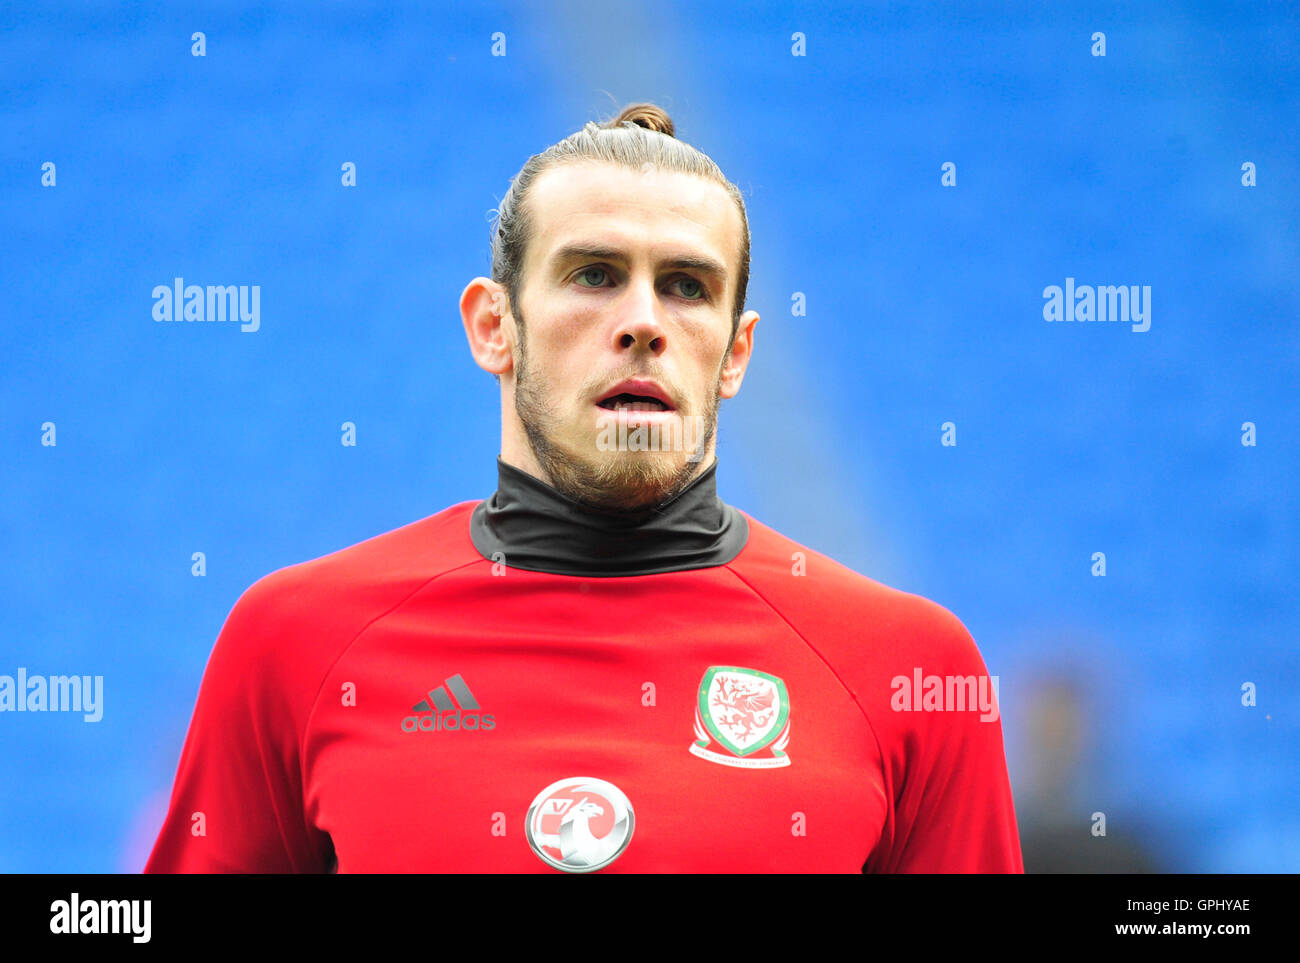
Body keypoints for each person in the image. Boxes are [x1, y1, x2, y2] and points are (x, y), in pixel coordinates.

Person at [144, 102, 1023, 873]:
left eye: (686, 286)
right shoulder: (295, 642)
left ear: (737, 352)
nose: (642, 322)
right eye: (594, 275)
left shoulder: (911, 668)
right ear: (495, 326)